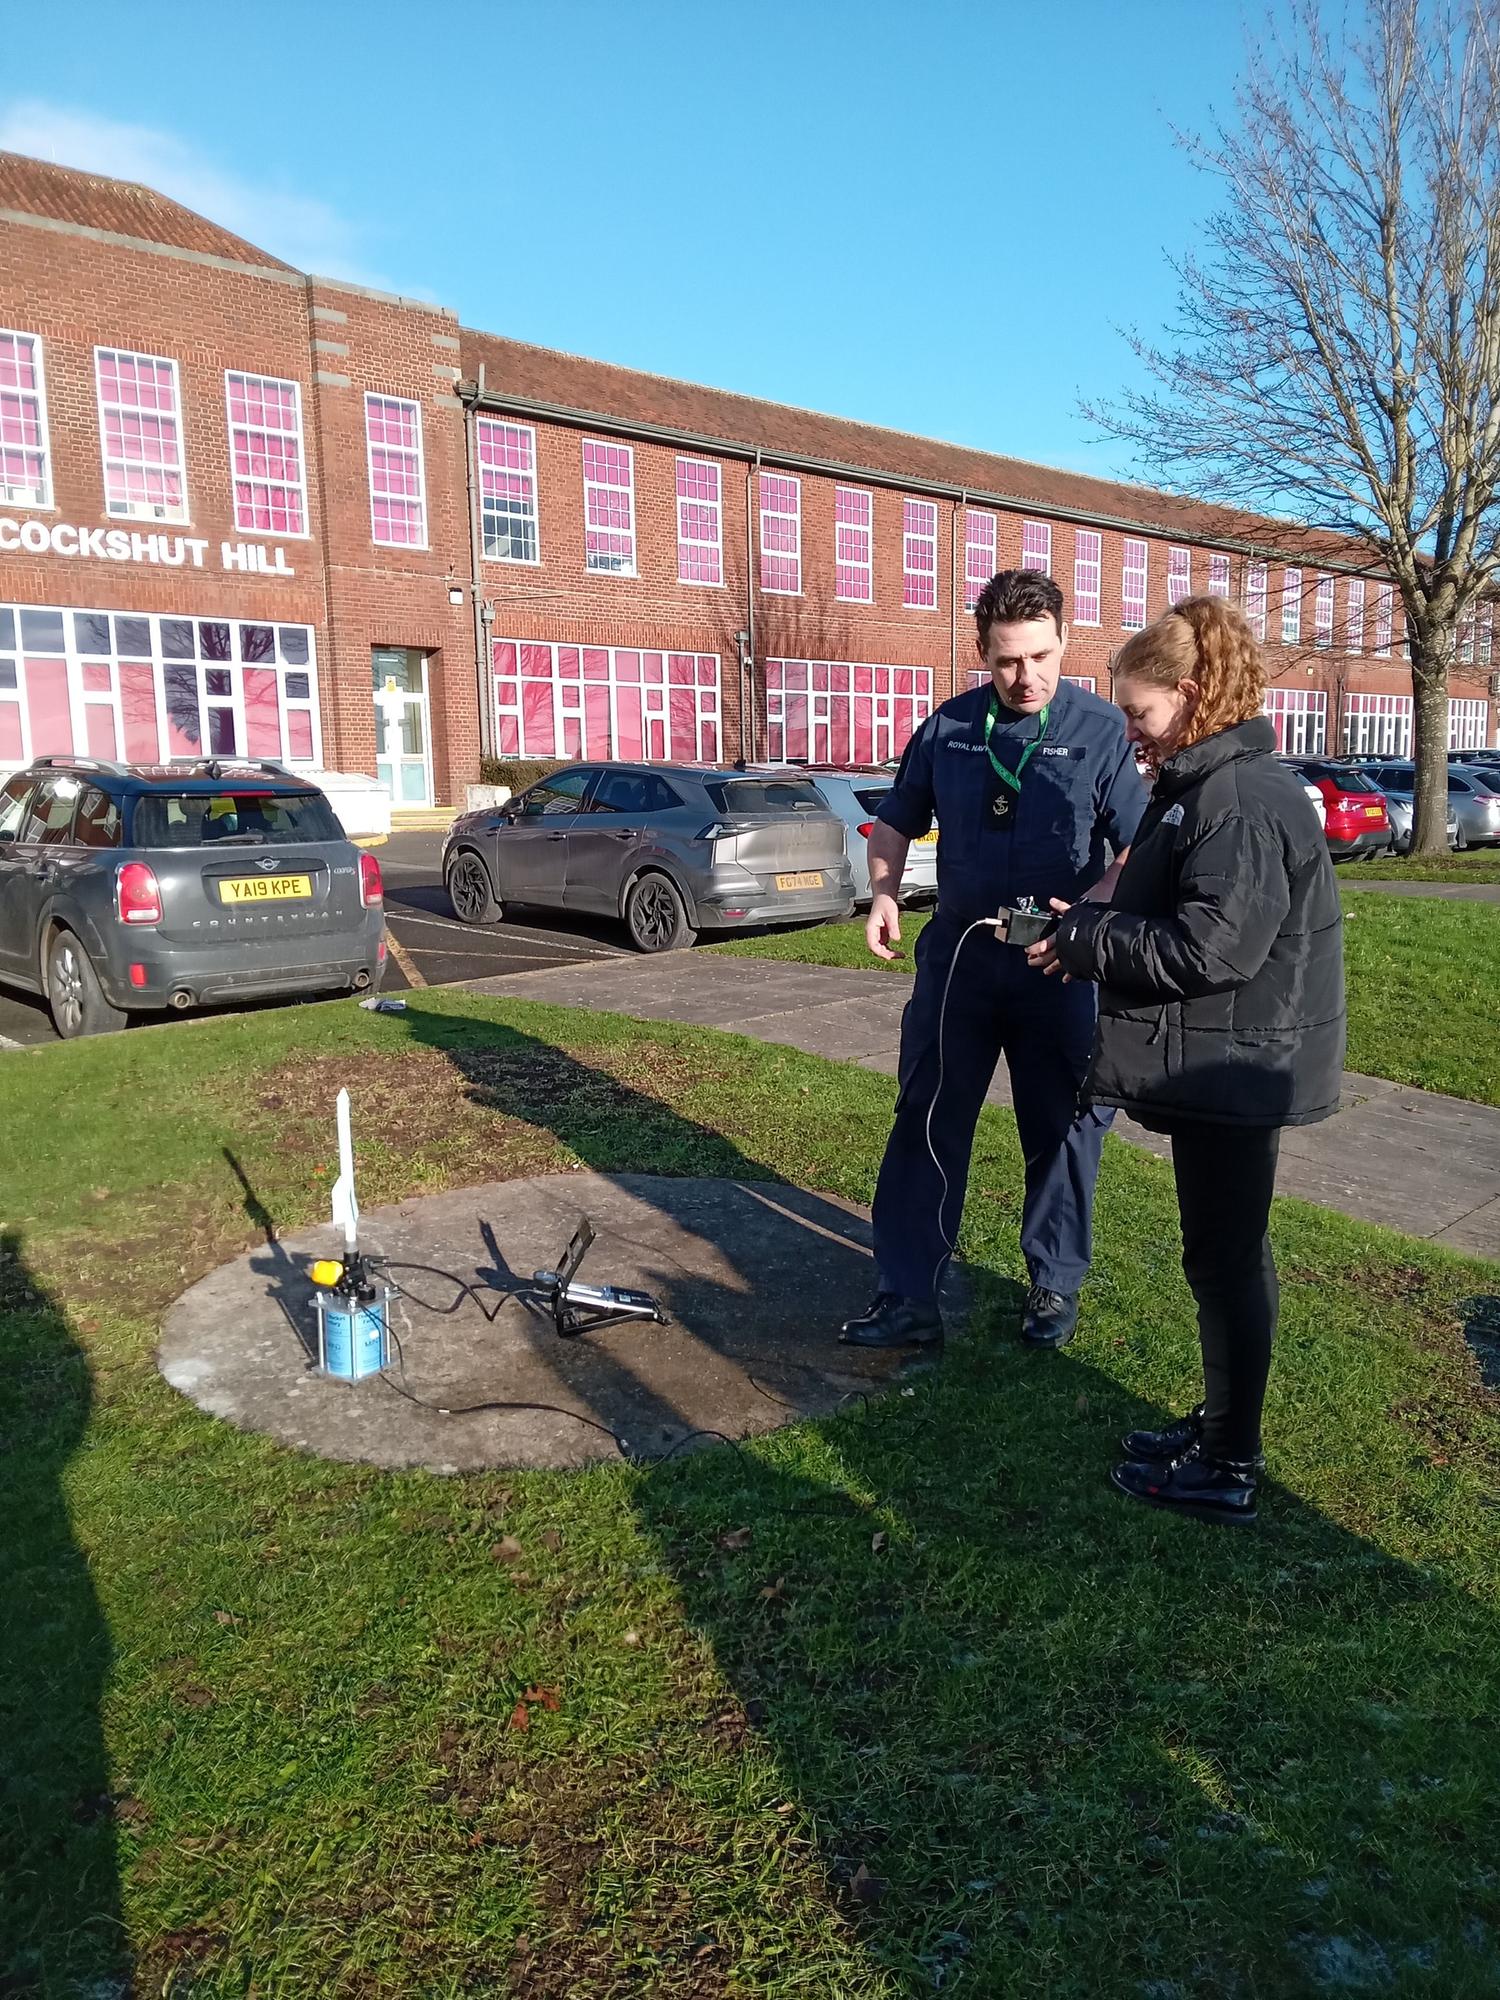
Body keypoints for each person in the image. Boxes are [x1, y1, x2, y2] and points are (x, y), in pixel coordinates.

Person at [1034, 594, 1345, 1525]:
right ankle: (1219, 1428)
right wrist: (1091, 927)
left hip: (1236, 1068)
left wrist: (1091, 942)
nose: (1130, 729)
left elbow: (1216, 951)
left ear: (1194, 694)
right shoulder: (1210, 786)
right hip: (1221, 1062)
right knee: (1217, 1256)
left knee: (1226, 1259)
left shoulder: (1242, 798)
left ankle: (1230, 1460)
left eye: (1140, 711)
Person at [839, 570, 1147, 1352]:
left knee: (1065, 1128)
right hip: (962, 966)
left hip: (1060, 968)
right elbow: (893, 825)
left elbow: (1139, 846)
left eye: (1040, 656)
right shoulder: (946, 729)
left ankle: (1053, 1284)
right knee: (927, 1121)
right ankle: (907, 1292)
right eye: (1008, 661)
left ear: (1064, 642)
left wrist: (1090, 911)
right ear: (982, 652)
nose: (1027, 677)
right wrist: (881, 895)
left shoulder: (1104, 730)